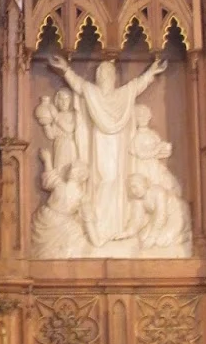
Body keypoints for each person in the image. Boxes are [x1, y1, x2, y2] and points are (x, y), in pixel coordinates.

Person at [47, 54, 166, 247]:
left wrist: (152, 72)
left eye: (107, 73)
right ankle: (101, 227)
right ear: (97, 77)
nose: (104, 76)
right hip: (99, 144)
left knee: (115, 180)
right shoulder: (93, 92)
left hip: (117, 145)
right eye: (101, 73)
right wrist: (66, 70)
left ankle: (116, 226)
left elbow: (137, 85)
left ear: (113, 77)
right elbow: (79, 85)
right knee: (102, 179)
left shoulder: (122, 94)